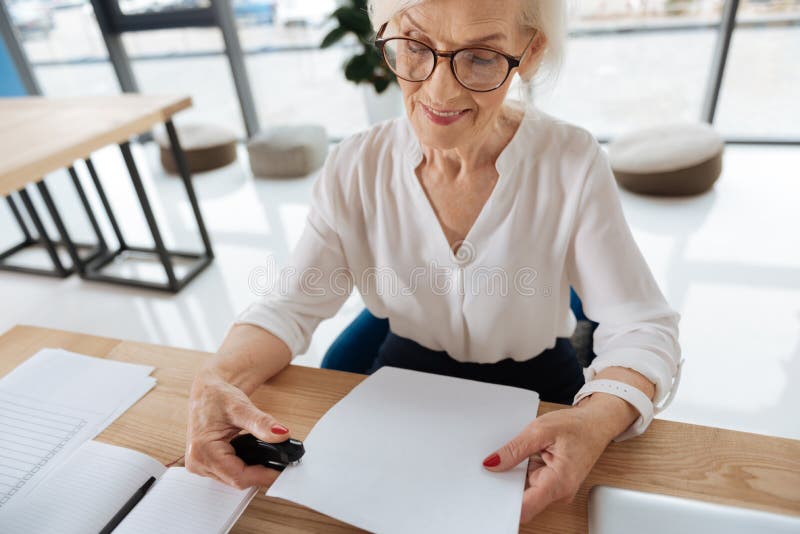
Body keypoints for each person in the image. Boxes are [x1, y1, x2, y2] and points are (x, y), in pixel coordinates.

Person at [186, 0, 682, 524]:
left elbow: (642, 325)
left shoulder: (571, 161)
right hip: (405, 376)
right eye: (416, 47)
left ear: (529, 52)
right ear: (385, 35)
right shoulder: (355, 165)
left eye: (482, 57)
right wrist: (215, 378)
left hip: (538, 385)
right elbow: (289, 305)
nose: (440, 92)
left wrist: (597, 419)